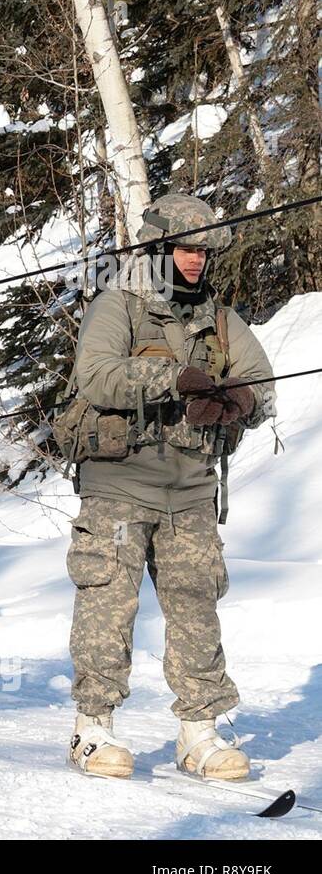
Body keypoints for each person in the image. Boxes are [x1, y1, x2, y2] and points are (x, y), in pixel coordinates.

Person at [62, 193, 276, 782]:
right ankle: (93, 728)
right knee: (109, 603)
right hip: (119, 483)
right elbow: (97, 375)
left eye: (203, 253)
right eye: (184, 249)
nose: (194, 262)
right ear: (158, 249)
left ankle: (199, 735)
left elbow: (263, 384)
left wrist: (242, 400)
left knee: (196, 607)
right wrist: (174, 378)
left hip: (192, 489)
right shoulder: (118, 306)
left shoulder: (223, 320)